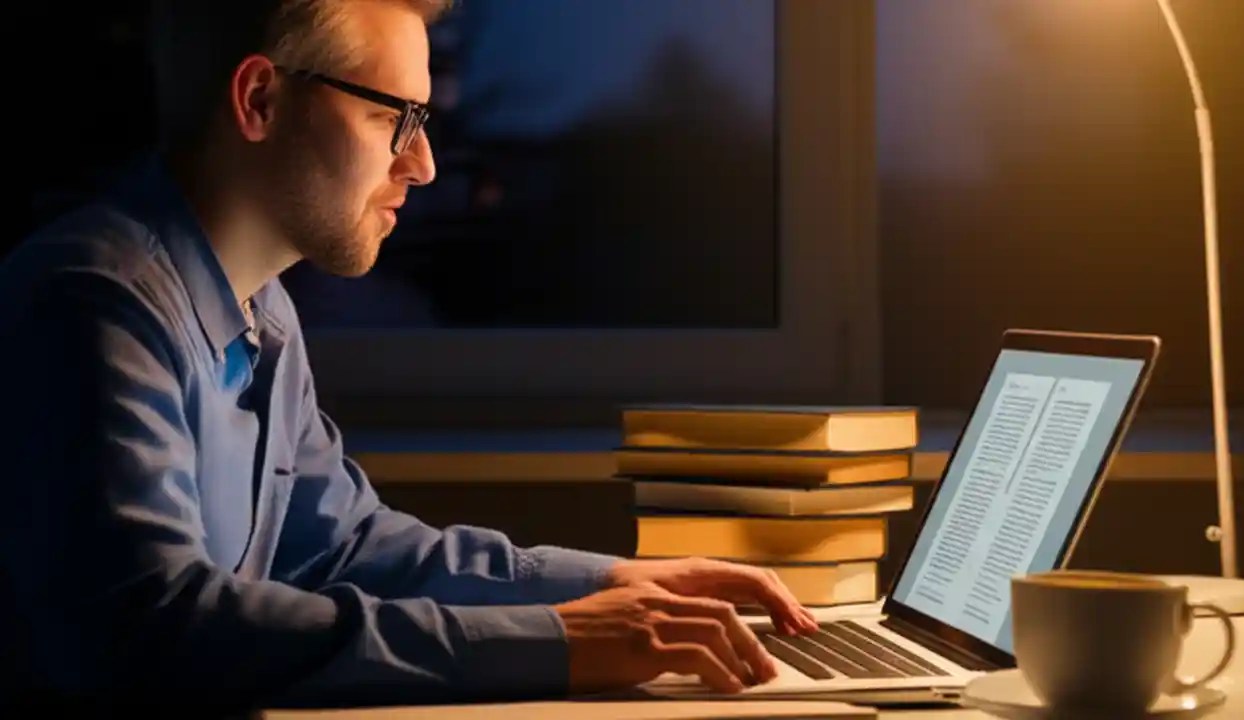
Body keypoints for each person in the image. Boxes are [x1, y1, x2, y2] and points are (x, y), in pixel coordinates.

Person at [0, 0, 819, 713]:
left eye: (423, 123)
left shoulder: (262, 312)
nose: (421, 164)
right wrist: (555, 642)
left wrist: (603, 585)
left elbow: (342, 546)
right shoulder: (94, 301)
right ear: (259, 99)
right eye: (392, 115)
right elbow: (156, 629)